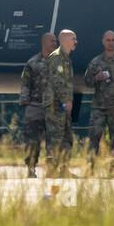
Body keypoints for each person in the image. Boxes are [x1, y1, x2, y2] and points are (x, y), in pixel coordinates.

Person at [83, 30, 114, 173]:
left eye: (113, 40)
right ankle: (91, 167)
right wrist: (96, 78)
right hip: (99, 107)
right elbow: (87, 82)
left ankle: (113, 169)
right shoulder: (95, 62)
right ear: (103, 41)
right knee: (94, 137)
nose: (110, 43)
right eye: (107, 40)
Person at [19, 33, 56, 177]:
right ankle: (31, 168)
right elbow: (25, 83)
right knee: (32, 140)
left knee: (53, 140)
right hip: (35, 106)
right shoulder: (32, 63)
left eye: (56, 41)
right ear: (44, 42)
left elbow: (65, 83)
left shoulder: (61, 62)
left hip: (53, 107)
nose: (55, 43)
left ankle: (52, 169)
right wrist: (25, 102)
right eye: (52, 41)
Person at [42, 29, 77, 176]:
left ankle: (63, 169)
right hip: (55, 106)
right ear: (64, 40)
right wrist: (66, 101)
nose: (76, 42)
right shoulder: (56, 58)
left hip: (62, 106)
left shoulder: (66, 58)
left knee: (65, 137)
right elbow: (58, 82)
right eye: (73, 39)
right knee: (55, 138)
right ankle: (52, 170)